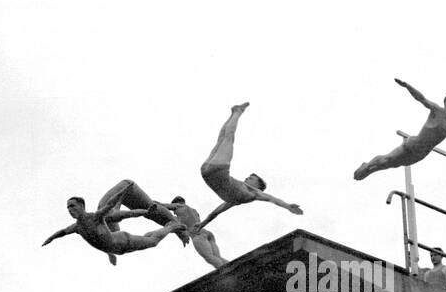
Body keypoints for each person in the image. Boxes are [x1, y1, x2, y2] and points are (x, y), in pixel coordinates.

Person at [195, 103, 303, 231]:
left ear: (258, 186)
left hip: (210, 170)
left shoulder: (253, 193)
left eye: (252, 178)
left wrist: (287, 206)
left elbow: (216, 212)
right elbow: (217, 212)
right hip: (215, 170)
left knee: (228, 138)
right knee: (222, 139)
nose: (247, 178)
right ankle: (234, 113)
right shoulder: (239, 194)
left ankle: (237, 112)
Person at [353, 79, 446, 181]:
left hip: (420, 155)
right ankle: (367, 167)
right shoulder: (437, 110)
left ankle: (371, 170)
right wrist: (407, 86)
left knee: (391, 165)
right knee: (388, 159)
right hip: (412, 145)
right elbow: (421, 98)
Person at [41, 189, 185, 264]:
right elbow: (62, 232)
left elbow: (125, 213)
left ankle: (172, 227)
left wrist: (146, 212)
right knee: (148, 238)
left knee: (152, 242)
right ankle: (111, 253)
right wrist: (51, 238)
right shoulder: (76, 227)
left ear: (81, 206)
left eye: (72, 206)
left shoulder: (96, 217)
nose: (69, 210)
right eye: (67, 208)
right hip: (115, 249)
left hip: (123, 241)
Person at [166, 195, 228, 269]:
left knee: (210, 257)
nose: (174, 213)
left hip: (197, 235)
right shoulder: (194, 211)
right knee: (217, 257)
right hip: (207, 233)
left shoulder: (178, 206)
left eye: (174, 211)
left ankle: (228, 274)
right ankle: (234, 268)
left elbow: (161, 205)